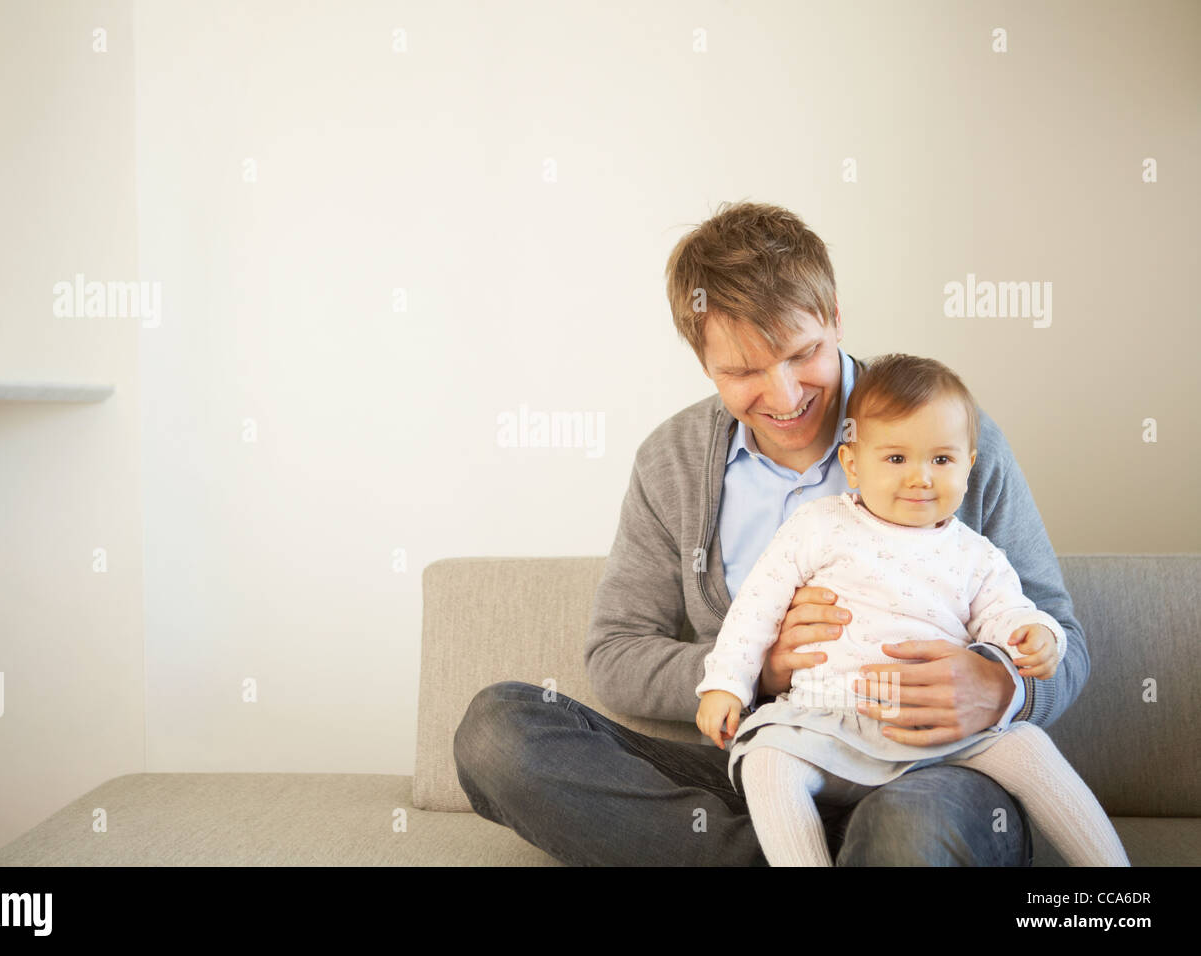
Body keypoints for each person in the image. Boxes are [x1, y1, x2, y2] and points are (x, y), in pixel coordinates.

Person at [453, 201, 1089, 865]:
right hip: (770, 763)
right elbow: (615, 654)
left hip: (929, 771)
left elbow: (1064, 641)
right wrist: (759, 664)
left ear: (836, 317)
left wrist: (1000, 685)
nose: (783, 396)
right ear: (703, 361)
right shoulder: (670, 462)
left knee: (909, 828)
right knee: (498, 732)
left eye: (802, 353)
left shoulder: (947, 437)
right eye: (743, 372)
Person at [696, 352, 1128, 866]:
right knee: (765, 761)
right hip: (825, 720)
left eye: (941, 460)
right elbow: (756, 607)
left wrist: (1037, 634)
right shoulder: (820, 526)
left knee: (1029, 747)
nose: (921, 478)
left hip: (940, 731)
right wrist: (728, 682)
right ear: (852, 464)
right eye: (896, 459)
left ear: (969, 465)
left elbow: (1009, 612)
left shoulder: (976, 555)